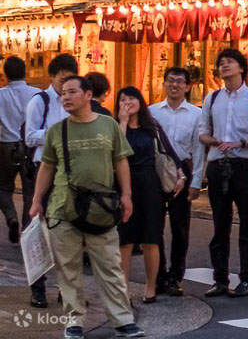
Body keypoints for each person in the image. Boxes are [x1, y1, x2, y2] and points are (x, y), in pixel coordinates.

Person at [29, 75, 145, 339]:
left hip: (101, 209)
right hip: (63, 209)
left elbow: (121, 161)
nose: (65, 98)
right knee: (68, 270)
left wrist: (127, 196)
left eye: (71, 92)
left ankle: (123, 320)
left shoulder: (108, 126)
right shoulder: (58, 130)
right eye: (63, 94)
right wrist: (37, 200)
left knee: (110, 267)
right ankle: (74, 322)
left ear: (88, 95)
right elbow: (47, 166)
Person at [197, 48, 248, 299]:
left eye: (229, 62)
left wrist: (242, 143)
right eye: (221, 63)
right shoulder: (212, 98)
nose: (224, 67)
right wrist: (216, 141)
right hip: (218, 164)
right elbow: (202, 133)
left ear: (241, 68)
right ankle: (220, 279)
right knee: (220, 223)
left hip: (244, 164)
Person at [116, 86, 185, 304]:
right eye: (123, 99)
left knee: (151, 239)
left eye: (132, 97)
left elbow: (169, 152)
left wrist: (181, 174)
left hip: (150, 186)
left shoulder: (152, 127)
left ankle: (151, 286)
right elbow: (116, 151)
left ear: (140, 101)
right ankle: (122, 289)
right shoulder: (115, 126)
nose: (128, 102)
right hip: (124, 185)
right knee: (124, 241)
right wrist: (123, 122)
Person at [24, 52, 78, 308]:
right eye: (63, 80)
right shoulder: (40, 101)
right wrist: (57, 135)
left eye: (71, 81)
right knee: (38, 231)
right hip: (43, 171)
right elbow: (30, 136)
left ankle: (64, 288)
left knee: (66, 233)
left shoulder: (74, 103)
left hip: (70, 174)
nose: (66, 87)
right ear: (53, 77)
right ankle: (37, 288)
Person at [150, 67, 204, 297]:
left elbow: (200, 150)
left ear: (188, 86)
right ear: (163, 84)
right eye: (170, 81)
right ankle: (159, 275)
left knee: (180, 228)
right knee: (155, 226)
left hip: (183, 170)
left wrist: (197, 182)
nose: (174, 85)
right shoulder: (152, 112)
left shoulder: (196, 114)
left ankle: (175, 276)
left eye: (180, 82)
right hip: (156, 172)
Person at [0, 55, 38, 244]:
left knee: (3, 187)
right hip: (30, 145)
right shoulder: (37, 94)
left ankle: (11, 216)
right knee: (30, 191)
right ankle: (27, 232)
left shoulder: (1, 95)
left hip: (6, 145)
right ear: (26, 72)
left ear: (5, 75)